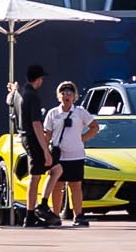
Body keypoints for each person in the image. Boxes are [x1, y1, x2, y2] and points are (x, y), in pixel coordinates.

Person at [13, 62, 59, 226]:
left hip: (25, 137)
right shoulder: (33, 96)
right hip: (33, 138)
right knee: (40, 175)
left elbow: (8, 101)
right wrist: (46, 150)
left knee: (50, 171)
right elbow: (36, 124)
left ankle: (37, 209)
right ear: (38, 79)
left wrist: (12, 90)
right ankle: (34, 212)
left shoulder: (20, 93)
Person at [43, 79, 94, 226]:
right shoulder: (53, 113)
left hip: (76, 155)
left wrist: (82, 138)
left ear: (74, 96)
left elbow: (94, 127)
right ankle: (55, 216)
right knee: (57, 186)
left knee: (75, 185)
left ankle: (78, 215)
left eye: (70, 92)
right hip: (58, 155)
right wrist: (45, 151)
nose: (67, 95)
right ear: (59, 96)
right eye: (64, 92)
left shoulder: (80, 112)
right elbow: (47, 134)